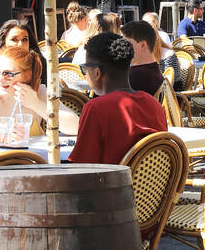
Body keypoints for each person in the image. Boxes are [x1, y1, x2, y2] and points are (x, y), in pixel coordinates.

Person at [69, 33, 167, 166]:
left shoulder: (96, 109)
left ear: (97, 73)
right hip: (153, 185)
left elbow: (83, 167)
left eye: (85, 68)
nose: (85, 74)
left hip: (110, 185)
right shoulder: (154, 105)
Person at [121, 19, 166, 97]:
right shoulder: (153, 70)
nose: (122, 47)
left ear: (143, 45)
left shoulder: (137, 76)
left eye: (126, 43)